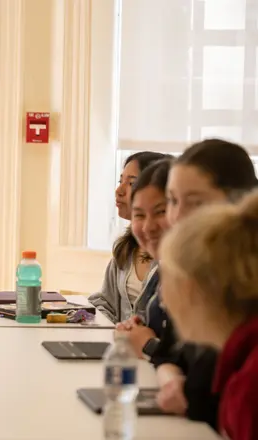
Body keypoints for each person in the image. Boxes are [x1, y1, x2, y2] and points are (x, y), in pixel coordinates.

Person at [118, 139, 258, 429]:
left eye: (196, 203)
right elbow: (180, 367)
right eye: (172, 201)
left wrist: (183, 389)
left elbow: (204, 394)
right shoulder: (196, 278)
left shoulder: (240, 290)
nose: (177, 217)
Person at [159, 189, 258, 440]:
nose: (162, 299)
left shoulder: (249, 388)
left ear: (189, 288)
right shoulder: (243, 358)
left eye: (165, 279)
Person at [89, 152, 170, 323]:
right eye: (121, 182)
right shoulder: (126, 249)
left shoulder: (178, 261)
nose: (119, 191)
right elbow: (106, 302)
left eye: (131, 183)